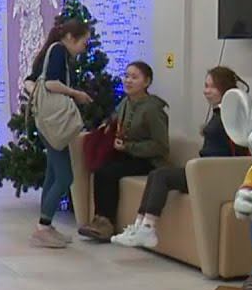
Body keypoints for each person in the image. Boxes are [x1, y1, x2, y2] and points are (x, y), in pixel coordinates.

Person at [113, 66, 250, 249]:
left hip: (212, 173)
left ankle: (147, 228)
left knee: (161, 176)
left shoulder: (231, 115)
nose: (206, 91)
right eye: (205, 86)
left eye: (212, 87)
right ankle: (139, 226)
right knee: (156, 175)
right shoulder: (220, 112)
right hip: (202, 169)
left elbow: (238, 148)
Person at [79, 61, 170, 241]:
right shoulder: (126, 103)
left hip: (149, 161)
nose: (128, 81)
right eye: (126, 76)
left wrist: (129, 147)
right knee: (101, 169)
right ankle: (99, 220)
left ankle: (107, 224)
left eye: (134, 77)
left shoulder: (153, 109)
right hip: (128, 155)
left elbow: (161, 146)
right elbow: (116, 118)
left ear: (146, 82)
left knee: (108, 172)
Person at [25, 19, 93, 248]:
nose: (84, 48)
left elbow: (32, 80)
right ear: (71, 38)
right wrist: (75, 94)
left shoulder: (52, 51)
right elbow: (51, 84)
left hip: (48, 121)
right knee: (65, 177)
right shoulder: (58, 51)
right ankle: (42, 228)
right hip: (53, 121)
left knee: (53, 174)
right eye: (83, 42)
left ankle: (46, 224)